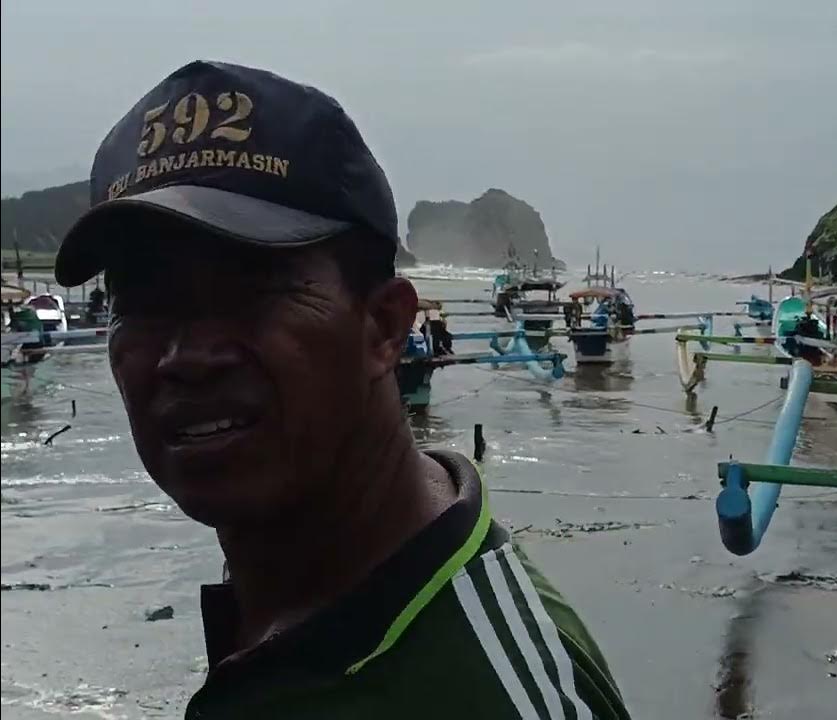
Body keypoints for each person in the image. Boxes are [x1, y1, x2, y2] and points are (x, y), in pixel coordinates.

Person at [55, 60, 629, 720]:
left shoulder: (497, 695)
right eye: (141, 302)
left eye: (252, 292)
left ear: (384, 326)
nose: (187, 357)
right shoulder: (287, 592)